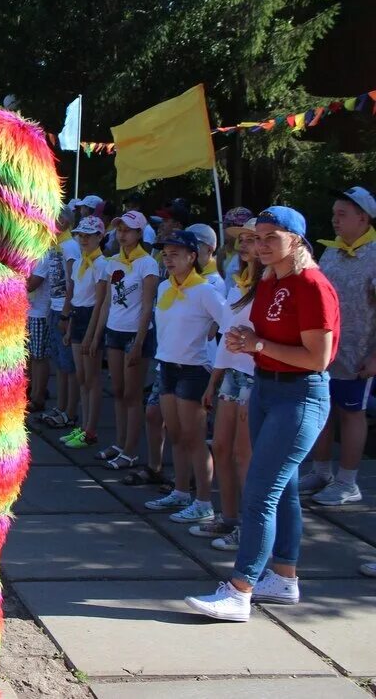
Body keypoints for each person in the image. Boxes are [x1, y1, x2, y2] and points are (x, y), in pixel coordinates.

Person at [186, 206, 339, 621]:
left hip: (299, 395)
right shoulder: (269, 281)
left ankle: (240, 590)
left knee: (260, 492)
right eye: (257, 237)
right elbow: (263, 339)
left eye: (272, 237)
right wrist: (244, 342)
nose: (261, 245)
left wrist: (256, 346)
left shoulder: (311, 284)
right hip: (267, 389)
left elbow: (317, 358)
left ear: (297, 241)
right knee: (282, 487)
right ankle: (284, 577)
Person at [143, 230, 225, 520]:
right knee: (176, 434)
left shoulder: (205, 291)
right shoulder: (165, 287)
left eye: (175, 254)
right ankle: (180, 491)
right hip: (167, 367)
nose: (168, 259)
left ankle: (203, 501)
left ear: (193, 256)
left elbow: (228, 325)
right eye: (165, 254)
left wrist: (218, 371)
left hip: (193, 371)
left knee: (194, 438)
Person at [302, 186, 376, 507]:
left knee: (351, 414)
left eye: (342, 215)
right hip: (324, 352)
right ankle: (321, 472)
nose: (335, 221)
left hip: (358, 355)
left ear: (363, 217)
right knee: (323, 410)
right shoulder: (330, 252)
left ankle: (347, 482)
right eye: (333, 214)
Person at [194, 221, 262, 549]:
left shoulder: (269, 285)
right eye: (241, 241)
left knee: (243, 455)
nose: (244, 246)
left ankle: (249, 530)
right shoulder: (238, 283)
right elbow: (226, 335)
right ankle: (229, 517)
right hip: (230, 375)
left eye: (251, 240)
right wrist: (214, 378)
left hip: (255, 376)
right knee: (220, 447)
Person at [93, 210, 160, 465]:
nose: (122, 235)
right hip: (114, 331)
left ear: (139, 233)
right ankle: (120, 443)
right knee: (119, 391)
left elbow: (146, 306)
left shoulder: (148, 264)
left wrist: (140, 341)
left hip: (135, 334)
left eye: (128, 230)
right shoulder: (113, 262)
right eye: (119, 230)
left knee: (132, 394)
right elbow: (108, 302)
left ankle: (131, 451)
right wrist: (96, 335)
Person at [61, 215, 108, 448]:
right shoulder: (80, 261)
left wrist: (92, 334)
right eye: (80, 234)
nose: (83, 239)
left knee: (92, 378)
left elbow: (99, 302)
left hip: (91, 318)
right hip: (78, 317)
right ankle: (83, 426)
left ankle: (91, 430)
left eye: (88, 235)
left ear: (100, 237)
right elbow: (76, 296)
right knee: (81, 378)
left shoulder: (102, 265)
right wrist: (70, 326)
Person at [39, 207, 80, 429]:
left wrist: (66, 312)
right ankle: (61, 406)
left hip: (64, 310)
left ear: (63, 221)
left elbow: (72, 282)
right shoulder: (56, 245)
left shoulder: (70, 246)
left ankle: (70, 411)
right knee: (60, 363)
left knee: (69, 365)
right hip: (54, 308)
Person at [27, 246, 51, 413]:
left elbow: (32, 284)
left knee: (39, 356)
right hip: (29, 310)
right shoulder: (30, 252)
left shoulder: (43, 254)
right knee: (30, 356)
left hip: (40, 312)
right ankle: (30, 392)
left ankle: (38, 396)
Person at [222, 208, 255, 279]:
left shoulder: (267, 282)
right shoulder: (222, 251)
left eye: (250, 239)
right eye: (241, 240)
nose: (224, 229)